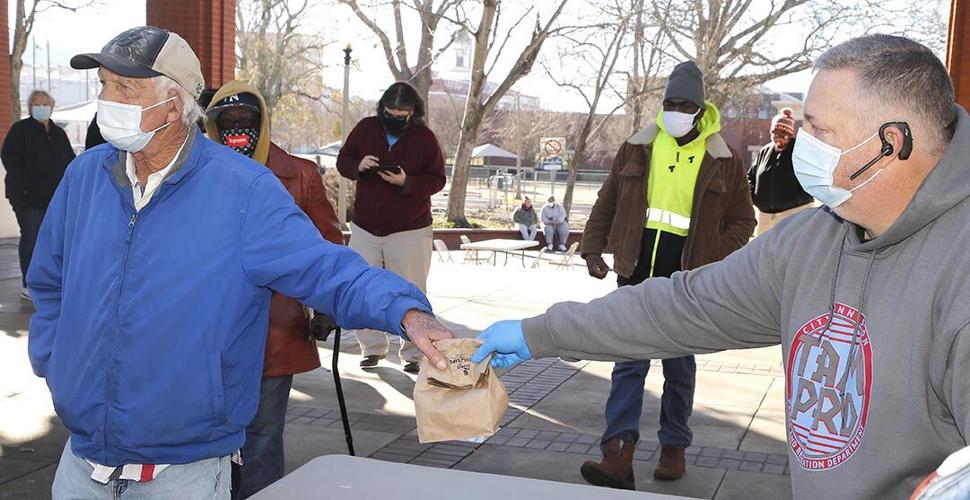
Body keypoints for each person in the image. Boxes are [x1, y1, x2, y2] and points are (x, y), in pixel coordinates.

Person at [472, 35, 969, 499]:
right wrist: (540, 333)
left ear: (891, 143)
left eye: (818, 129)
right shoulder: (811, 241)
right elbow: (683, 307)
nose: (802, 144)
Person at [31, 26, 453, 499]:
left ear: (173, 106)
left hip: (182, 473)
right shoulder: (84, 176)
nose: (107, 99)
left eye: (124, 87)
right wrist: (54, 360)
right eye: (104, 84)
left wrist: (405, 311)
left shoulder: (244, 191)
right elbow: (50, 280)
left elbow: (326, 268)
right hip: (81, 462)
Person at [578, 60, 755, 488]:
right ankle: (617, 453)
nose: (675, 111)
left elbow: (742, 223)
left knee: (678, 367)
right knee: (628, 363)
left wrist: (713, 258)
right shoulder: (637, 145)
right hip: (636, 271)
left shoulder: (723, 156)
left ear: (700, 108)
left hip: (687, 280)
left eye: (684, 105)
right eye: (669, 103)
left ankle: (673, 446)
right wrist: (592, 246)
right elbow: (608, 200)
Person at [204, 80, 344, 499]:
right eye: (226, 122)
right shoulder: (197, 171)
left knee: (262, 434)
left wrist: (328, 306)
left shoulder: (299, 173)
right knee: (210, 432)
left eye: (245, 121)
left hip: (273, 328)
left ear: (261, 123)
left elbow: (326, 245)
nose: (236, 130)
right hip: (208, 325)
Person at [336, 81, 446, 374]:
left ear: (413, 113)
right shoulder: (366, 128)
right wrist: (358, 165)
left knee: (410, 290)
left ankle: (413, 353)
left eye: (402, 114)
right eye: (390, 112)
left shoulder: (425, 139)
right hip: (365, 227)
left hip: (409, 229)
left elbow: (437, 180)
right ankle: (371, 348)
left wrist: (406, 182)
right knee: (360, 286)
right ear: (382, 108)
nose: (395, 117)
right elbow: (342, 162)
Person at [1, 90, 75, 300]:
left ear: (51, 107)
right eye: (36, 103)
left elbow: (70, 161)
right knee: (32, 237)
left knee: (54, 239)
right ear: (30, 106)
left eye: (45, 103)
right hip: (26, 198)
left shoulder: (59, 133)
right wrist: (25, 184)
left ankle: (50, 281)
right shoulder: (20, 129)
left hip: (54, 198)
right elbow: (8, 157)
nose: (41, 106)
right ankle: (29, 283)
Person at [748, 107, 814, 234]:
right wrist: (754, 196)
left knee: (789, 252)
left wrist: (800, 198)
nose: (779, 138)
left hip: (793, 214)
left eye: (783, 135)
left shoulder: (800, 150)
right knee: (762, 252)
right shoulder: (765, 151)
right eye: (775, 134)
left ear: (790, 134)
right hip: (764, 215)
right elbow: (750, 176)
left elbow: (812, 177)